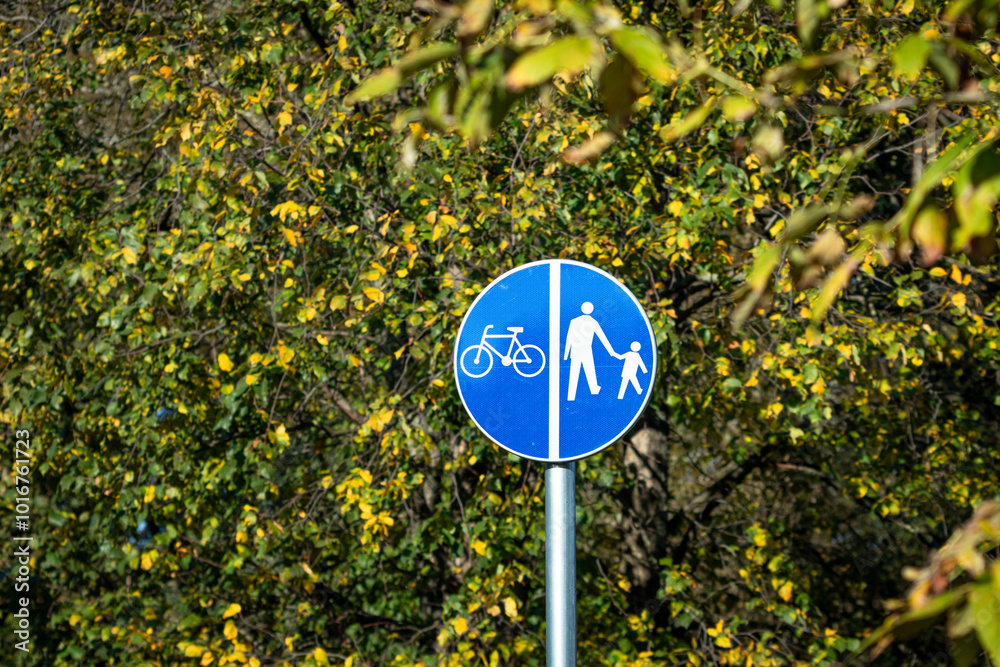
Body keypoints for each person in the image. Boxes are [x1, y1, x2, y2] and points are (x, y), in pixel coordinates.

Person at [564, 302, 616, 401]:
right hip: (586, 351)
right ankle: (594, 391)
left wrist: (566, 354)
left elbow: (569, 338)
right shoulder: (592, 322)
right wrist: (611, 352)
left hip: (575, 351)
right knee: (590, 371)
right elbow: (602, 338)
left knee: (574, 373)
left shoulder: (574, 321)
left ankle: (571, 395)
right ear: (591, 309)